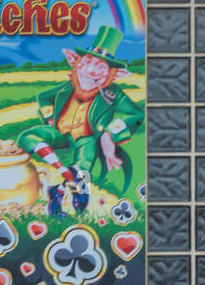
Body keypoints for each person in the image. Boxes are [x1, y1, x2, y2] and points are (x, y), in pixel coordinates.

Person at [18, 26, 143, 211]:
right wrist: (50, 118)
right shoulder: (67, 88)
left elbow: (137, 114)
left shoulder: (113, 94)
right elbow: (43, 97)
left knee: (87, 150)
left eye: (101, 67)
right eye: (87, 62)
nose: (91, 71)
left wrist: (109, 134)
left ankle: (68, 185)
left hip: (86, 137)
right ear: (74, 61)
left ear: (114, 74)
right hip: (59, 132)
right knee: (28, 137)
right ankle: (64, 174)